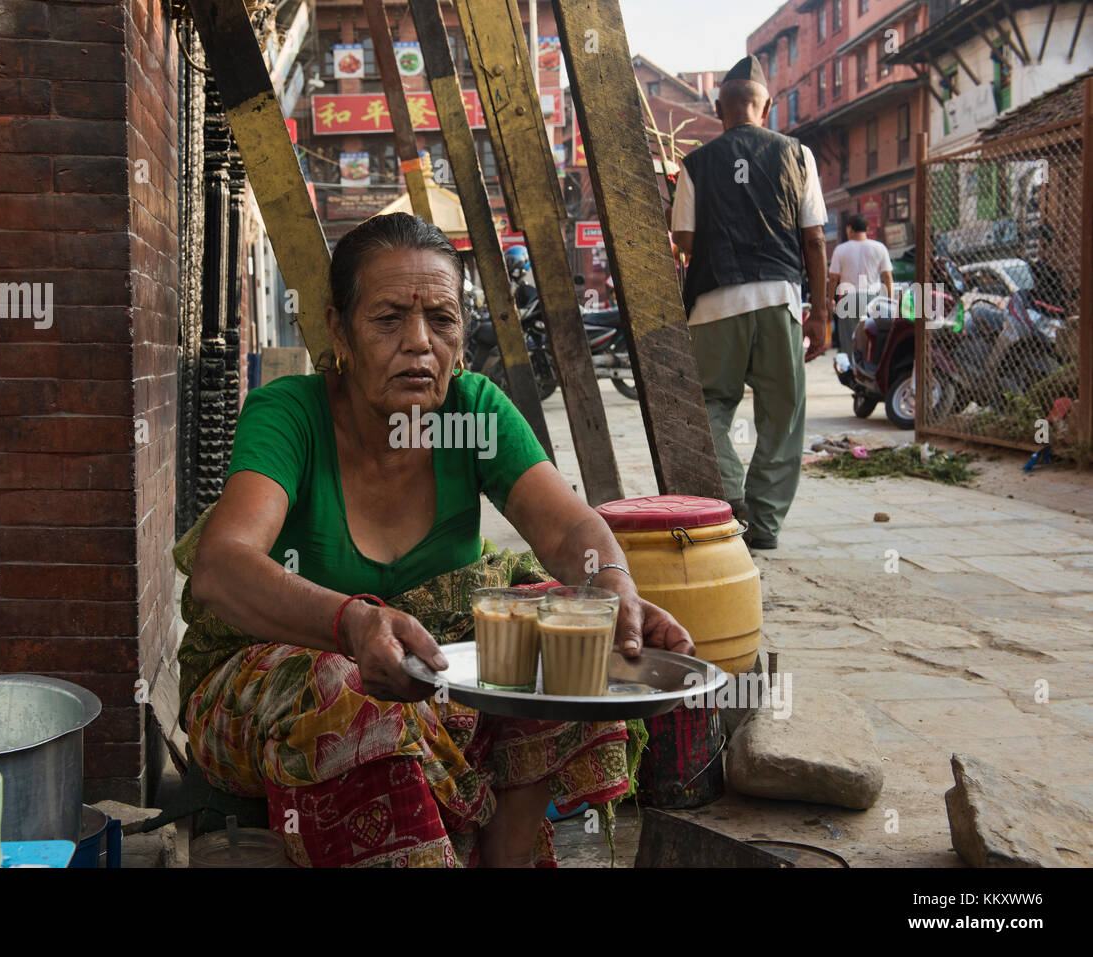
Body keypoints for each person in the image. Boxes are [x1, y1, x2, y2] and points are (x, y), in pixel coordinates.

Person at [177, 213, 694, 868]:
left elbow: (568, 528)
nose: (420, 344)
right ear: (339, 330)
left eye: (442, 321)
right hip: (268, 687)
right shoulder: (291, 416)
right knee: (351, 686)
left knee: (573, 630)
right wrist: (351, 624)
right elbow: (221, 570)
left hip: (425, 684)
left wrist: (616, 584)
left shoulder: (473, 411)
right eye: (389, 319)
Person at [670, 56, 829, 551]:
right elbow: (815, 241)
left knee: (711, 408)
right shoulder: (798, 155)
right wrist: (821, 314)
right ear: (768, 107)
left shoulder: (695, 164)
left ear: (719, 108)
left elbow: (686, 241)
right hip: (779, 298)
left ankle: (731, 498)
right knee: (782, 414)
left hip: (714, 302)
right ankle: (764, 525)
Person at [828, 214, 893, 359]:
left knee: (849, 339)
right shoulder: (879, 248)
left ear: (849, 229)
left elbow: (833, 278)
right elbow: (887, 277)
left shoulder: (840, 249)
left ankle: (852, 371)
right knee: (872, 336)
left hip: (848, 299)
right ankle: (870, 369)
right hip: (873, 298)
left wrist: (831, 299)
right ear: (867, 229)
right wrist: (889, 301)